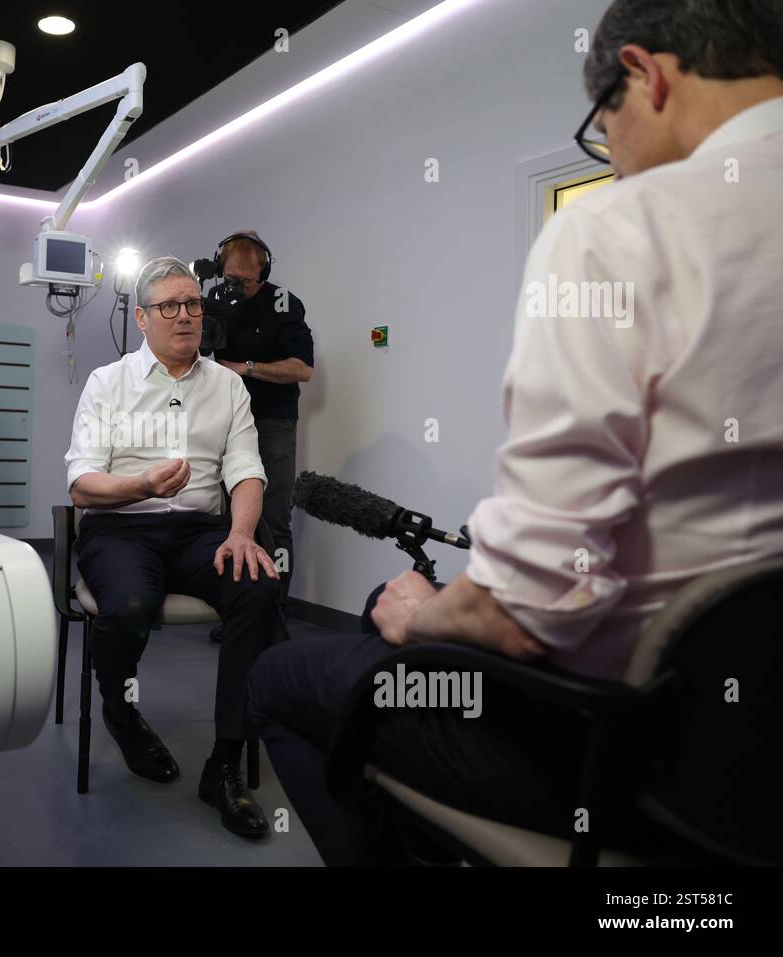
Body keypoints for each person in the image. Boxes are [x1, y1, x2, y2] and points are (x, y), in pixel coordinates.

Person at [246, 0, 783, 865]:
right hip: (753, 784)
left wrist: (422, 618)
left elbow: (519, 616)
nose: (617, 159)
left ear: (644, 74)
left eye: (605, 128)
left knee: (284, 678)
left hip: (620, 756)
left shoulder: (619, 231)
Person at [64, 256, 283, 837]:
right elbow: (82, 482)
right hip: (121, 525)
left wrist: (240, 533)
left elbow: (246, 471)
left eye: (193, 304)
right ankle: (120, 710)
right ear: (142, 317)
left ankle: (225, 764)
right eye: (169, 306)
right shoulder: (107, 384)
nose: (185, 316)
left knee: (258, 588)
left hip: (200, 532)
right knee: (130, 605)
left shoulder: (228, 385)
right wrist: (138, 484)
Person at [207, 232, 314, 611]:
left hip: (272, 421)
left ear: (264, 272)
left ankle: (273, 611)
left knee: (272, 517)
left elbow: (303, 369)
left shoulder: (285, 305)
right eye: (230, 278)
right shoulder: (215, 303)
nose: (237, 287)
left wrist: (244, 368)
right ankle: (233, 607)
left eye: (246, 281)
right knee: (222, 515)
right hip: (221, 420)